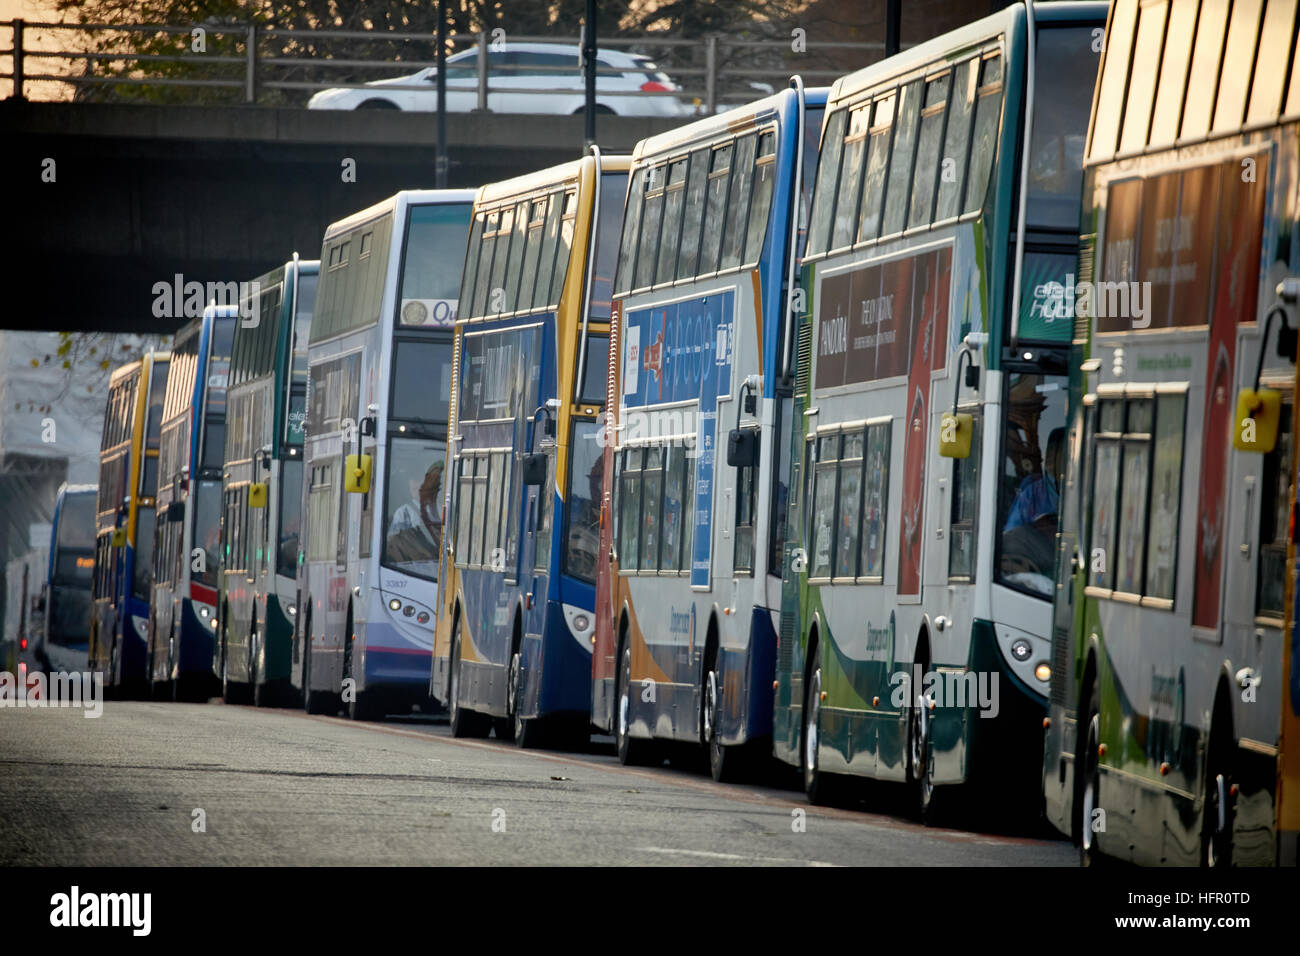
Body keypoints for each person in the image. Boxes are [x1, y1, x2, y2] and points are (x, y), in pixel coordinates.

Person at [1004, 426, 1065, 532]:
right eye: (1050, 454)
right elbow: (1012, 534)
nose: (1052, 460)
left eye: (1058, 453)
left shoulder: (1085, 489)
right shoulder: (1032, 493)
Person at [388, 461, 443, 562]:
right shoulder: (404, 513)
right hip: (414, 566)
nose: (413, 483)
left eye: (417, 479)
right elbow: (394, 547)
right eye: (411, 480)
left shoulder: (443, 510)